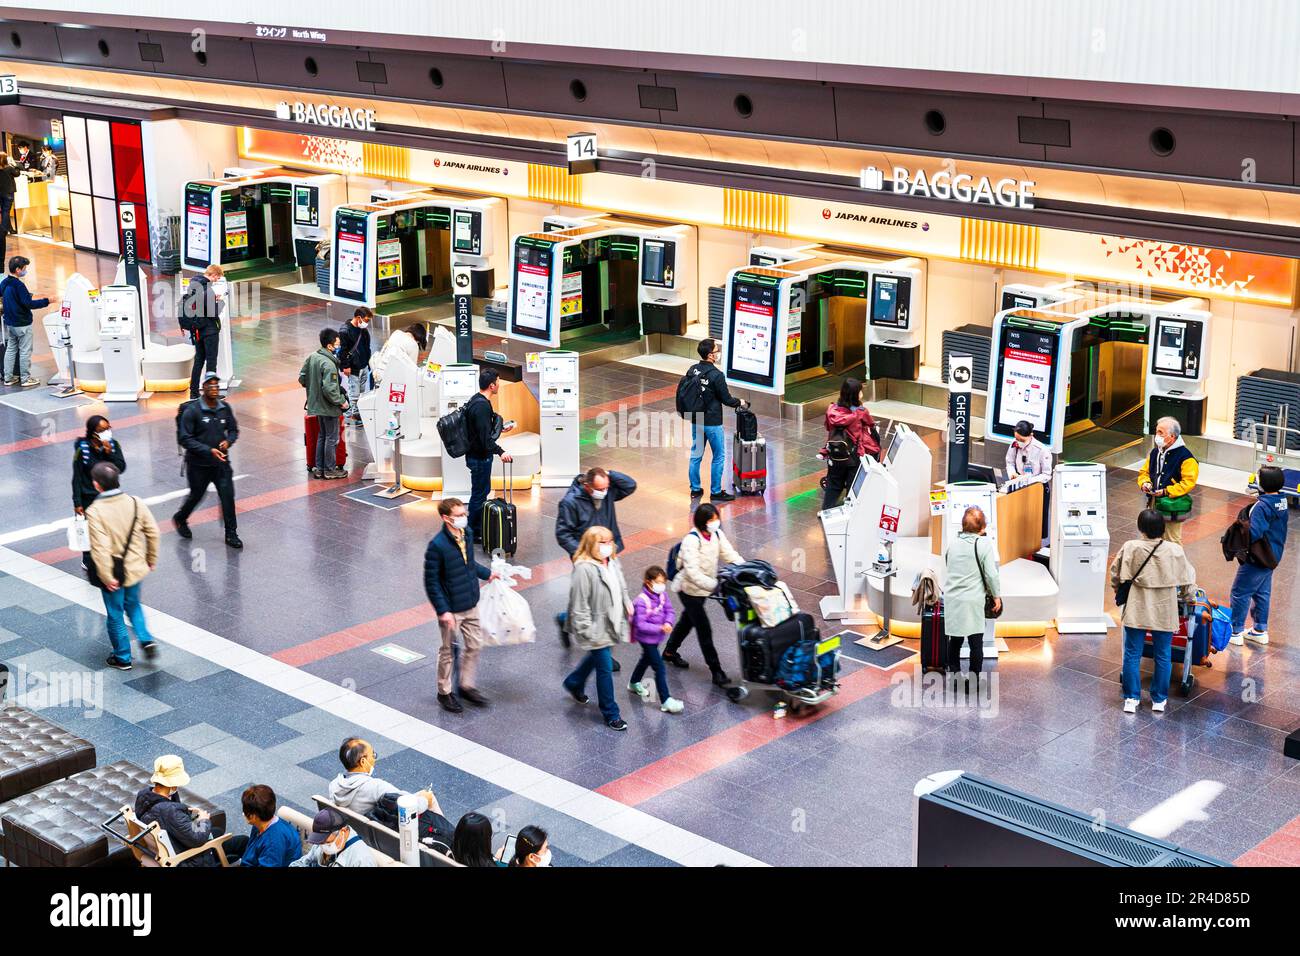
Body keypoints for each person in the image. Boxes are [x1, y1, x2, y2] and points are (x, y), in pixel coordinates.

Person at [1109, 509, 1197, 713]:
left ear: (1141, 528)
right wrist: (1188, 598)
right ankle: (1159, 699)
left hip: (1136, 606)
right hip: (1164, 608)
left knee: (1132, 653)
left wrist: (1119, 592)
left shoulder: (1130, 547)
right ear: (1162, 527)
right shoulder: (1174, 551)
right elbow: (1187, 580)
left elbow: (1115, 573)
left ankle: (1131, 698)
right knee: (1163, 654)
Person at [423, 498, 496, 713]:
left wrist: (488, 574)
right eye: (459, 515)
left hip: (470, 601)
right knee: (447, 651)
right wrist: (443, 611)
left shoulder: (467, 533)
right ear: (446, 518)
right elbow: (432, 581)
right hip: (451, 609)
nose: (464, 518)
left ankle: (466, 685)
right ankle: (444, 692)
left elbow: (469, 563)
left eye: (464, 514)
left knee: (475, 645)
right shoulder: (437, 546)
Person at [554, 465, 637, 652]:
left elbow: (630, 485)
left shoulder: (607, 491)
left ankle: (565, 620)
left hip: (608, 553)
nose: (604, 492)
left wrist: (609, 474)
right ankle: (603, 651)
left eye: (606, 488)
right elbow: (563, 533)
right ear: (587, 486)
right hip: (586, 559)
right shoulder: (570, 502)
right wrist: (582, 554)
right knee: (594, 600)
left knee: (605, 596)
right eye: (600, 489)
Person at [85, 462, 159, 671]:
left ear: (97, 485)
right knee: (134, 605)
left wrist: (107, 577)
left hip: (113, 574)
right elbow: (153, 532)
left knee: (115, 613)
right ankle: (145, 638)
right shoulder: (136, 503)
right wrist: (151, 558)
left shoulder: (95, 511)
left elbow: (100, 549)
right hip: (135, 568)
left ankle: (123, 657)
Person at [662, 503, 742, 686]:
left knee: (687, 620)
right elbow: (692, 573)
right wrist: (714, 585)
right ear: (703, 522)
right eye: (712, 519)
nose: (716, 522)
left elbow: (730, 555)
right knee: (703, 628)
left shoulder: (717, 534)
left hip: (703, 588)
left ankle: (669, 651)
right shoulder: (692, 541)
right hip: (688, 589)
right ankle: (716, 671)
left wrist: (747, 569)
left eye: (717, 518)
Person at [562, 526, 632, 731]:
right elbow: (579, 604)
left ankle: (574, 682)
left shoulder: (612, 561)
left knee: (597, 658)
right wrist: (587, 631)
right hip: (596, 626)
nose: (607, 546)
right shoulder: (584, 569)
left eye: (609, 541)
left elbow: (621, 586)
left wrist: (627, 603)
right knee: (605, 667)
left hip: (612, 621)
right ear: (590, 544)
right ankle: (611, 712)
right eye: (602, 542)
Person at [174, 371, 242, 549]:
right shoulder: (193, 411)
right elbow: (185, 438)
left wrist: (228, 441)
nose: (214, 387)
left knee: (227, 496)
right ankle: (181, 518)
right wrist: (208, 450)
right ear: (203, 388)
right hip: (198, 466)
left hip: (221, 464)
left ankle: (231, 533)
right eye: (210, 384)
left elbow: (234, 430)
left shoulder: (224, 408)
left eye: (216, 384)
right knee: (196, 495)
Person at [681, 338, 748, 502]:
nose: (718, 352)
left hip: (696, 418)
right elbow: (726, 399)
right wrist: (740, 402)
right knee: (719, 456)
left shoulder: (693, 370)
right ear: (711, 355)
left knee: (696, 455)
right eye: (717, 350)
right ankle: (716, 491)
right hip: (712, 421)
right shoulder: (717, 375)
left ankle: (695, 489)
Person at [1229, 464, 1288, 646]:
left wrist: (1238, 530)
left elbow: (1254, 533)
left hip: (1257, 558)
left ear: (1265, 483)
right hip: (1272, 555)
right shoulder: (1281, 501)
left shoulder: (1262, 506)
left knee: (1240, 592)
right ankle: (1259, 629)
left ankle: (1235, 631)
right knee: (1262, 592)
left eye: (1258, 478)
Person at [942, 506, 1002, 685]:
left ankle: (955, 678)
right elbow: (991, 574)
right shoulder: (983, 544)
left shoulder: (952, 544)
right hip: (973, 602)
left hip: (953, 599)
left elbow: (948, 564)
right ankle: (974, 681)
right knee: (976, 643)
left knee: (955, 641)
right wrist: (996, 596)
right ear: (982, 527)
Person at [134, 756, 223, 867]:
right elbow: (197, 839)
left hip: (163, 847)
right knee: (240, 841)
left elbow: (173, 821)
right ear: (173, 783)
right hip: (187, 859)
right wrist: (203, 819)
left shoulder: (143, 796)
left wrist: (194, 816)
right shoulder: (171, 810)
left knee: (217, 831)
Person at [329, 737, 440, 818]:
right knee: (428, 797)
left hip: (355, 832)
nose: (374, 759)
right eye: (373, 755)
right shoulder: (376, 787)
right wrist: (425, 799)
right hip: (382, 838)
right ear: (363, 761)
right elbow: (409, 807)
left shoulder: (334, 785)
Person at [463, 367, 513, 545]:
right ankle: (472, 531)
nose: (499, 384)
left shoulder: (477, 400)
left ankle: (473, 529)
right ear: (492, 385)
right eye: (498, 381)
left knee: (480, 492)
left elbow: (481, 431)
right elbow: (485, 440)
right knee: (479, 494)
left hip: (475, 455)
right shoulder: (482, 406)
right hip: (479, 458)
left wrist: (501, 428)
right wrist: (501, 452)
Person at [72, 415, 125, 569]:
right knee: (88, 529)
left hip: (109, 496)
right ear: (93, 432)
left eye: (108, 428)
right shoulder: (82, 450)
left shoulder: (114, 445)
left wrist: (110, 453)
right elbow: (77, 478)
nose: (107, 432)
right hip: (89, 497)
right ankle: (88, 559)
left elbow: (120, 468)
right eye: (102, 430)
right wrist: (77, 502)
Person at [629, 565, 684, 714]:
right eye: (659, 582)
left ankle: (634, 682)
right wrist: (660, 628)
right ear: (648, 582)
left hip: (656, 637)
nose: (662, 586)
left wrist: (668, 622)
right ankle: (666, 700)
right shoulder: (641, 601)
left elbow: (670, 611)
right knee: (659, 667)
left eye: (663, 582)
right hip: (646, 639)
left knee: (645, 659)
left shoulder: (662, 595)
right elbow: (640, 625)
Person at [820, 376, 880, 510]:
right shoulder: (860, 412)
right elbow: (870, 423)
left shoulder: (832, 410)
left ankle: (826, 511)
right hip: (854, 455)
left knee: (834, 484)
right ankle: (850, 513)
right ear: (855, 395)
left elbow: (828, 427)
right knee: (852, 485)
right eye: (860, 391)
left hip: (835, 453)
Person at [299, 326, 350, 480]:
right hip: (328, 407)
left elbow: (302, 378)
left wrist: (314, 388)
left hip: (316, 405)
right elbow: (330, 389)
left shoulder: (312, 356)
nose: (338, 347)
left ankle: (319, 468)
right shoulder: (328, 364)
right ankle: (329, 470)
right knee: (332, 438)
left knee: (322, 435)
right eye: (337, 345)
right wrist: (342, 402)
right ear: (329, 346)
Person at [1138, 416, 1198, 544]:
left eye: (1161, 433)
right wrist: (1145, 483)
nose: (1157, 436)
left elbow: (1188, 483)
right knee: (1148, 538)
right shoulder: (1155, 452)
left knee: (1171, 540)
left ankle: (1175, 563)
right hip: (1153, 502)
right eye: (1157, 431)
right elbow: (1144, 472)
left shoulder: (1186, 458)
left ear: (1172, 437)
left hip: (1172, 505)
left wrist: (1166, 491)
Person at [223, 784, 301, 867]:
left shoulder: (272, 844)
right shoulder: (262, 823)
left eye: (245, 810)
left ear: (253, 816)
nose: (243, 813)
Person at [2, 255, 50, 387]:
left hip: (10, 323)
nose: (25, 271)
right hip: (22, 324)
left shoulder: (5, 282)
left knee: (11, 349)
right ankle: (25, 378)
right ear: (18, 269)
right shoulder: (19, 285)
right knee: (25, 351)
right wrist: (47, 301)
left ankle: (8, 378)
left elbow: (9, 297)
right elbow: (28, 304)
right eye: (24, 268)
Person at [183, 264, 227, 399]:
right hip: (209, 330)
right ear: (213, 274)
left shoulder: (193, 285)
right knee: (211, 361)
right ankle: (211, 395)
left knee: (199, 361)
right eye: (217, 278)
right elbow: (213, 313)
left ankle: (194, 393)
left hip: (197, 330)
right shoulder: (207, 289)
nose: (216, 280)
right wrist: (220, 301)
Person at [290, 808, 376, 868]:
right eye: (320, 842)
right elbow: (303, 862)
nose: (323, 846)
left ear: (343, 832)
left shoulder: (362, 860)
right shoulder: (322, 843)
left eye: (327, 842)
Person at [338, 306, 373, 425]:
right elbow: (342, 351)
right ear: (359, 318)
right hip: (353, 368)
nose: (367, 323)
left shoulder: (363, 330)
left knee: (362, 392)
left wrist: (368, 363)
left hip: (363, 365)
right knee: (354, 393)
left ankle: (358, 413)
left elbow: (367, 346)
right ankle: (352, 416)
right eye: (366, 320)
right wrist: (345, 366)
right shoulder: (345, 331)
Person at [0, 154, 15, 237]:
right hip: (8, 192)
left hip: (1, 192)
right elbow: (17, 173)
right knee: (6, 211)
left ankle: (5, 229)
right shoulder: (9, 168)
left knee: (3, 211)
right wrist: (14, 165)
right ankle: (4, 229)